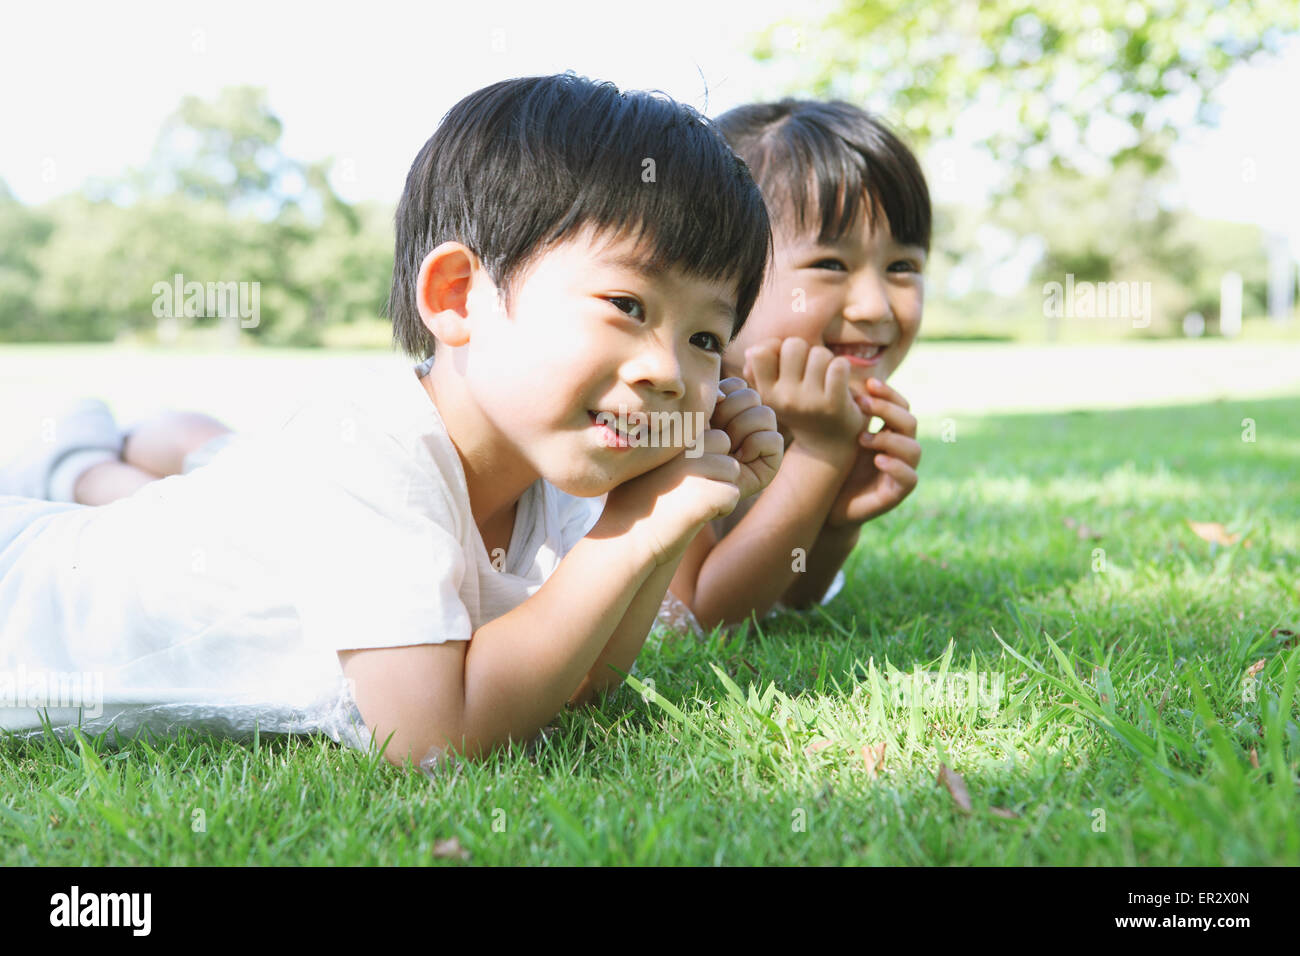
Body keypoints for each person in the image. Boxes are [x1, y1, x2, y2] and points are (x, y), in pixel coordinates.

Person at [0, 73, 783, 770]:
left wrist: (662, 518)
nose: (669, 372)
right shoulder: (374, 448)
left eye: (705, 338)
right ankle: (69, 449)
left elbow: (580, 682)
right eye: (627, 306)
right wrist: (637, 533)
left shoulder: (554, 472)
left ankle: (77, 452)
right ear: (454, 296)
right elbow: (431, 740)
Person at [663, 99, 931, 634]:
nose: (875, 307)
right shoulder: (672, 406)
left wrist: (834, 523)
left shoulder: (808, 416)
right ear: (719, 270)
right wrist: (821, 459)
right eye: (830, 264)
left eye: (902, 266)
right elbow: (700, 618)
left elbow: (791, 597)